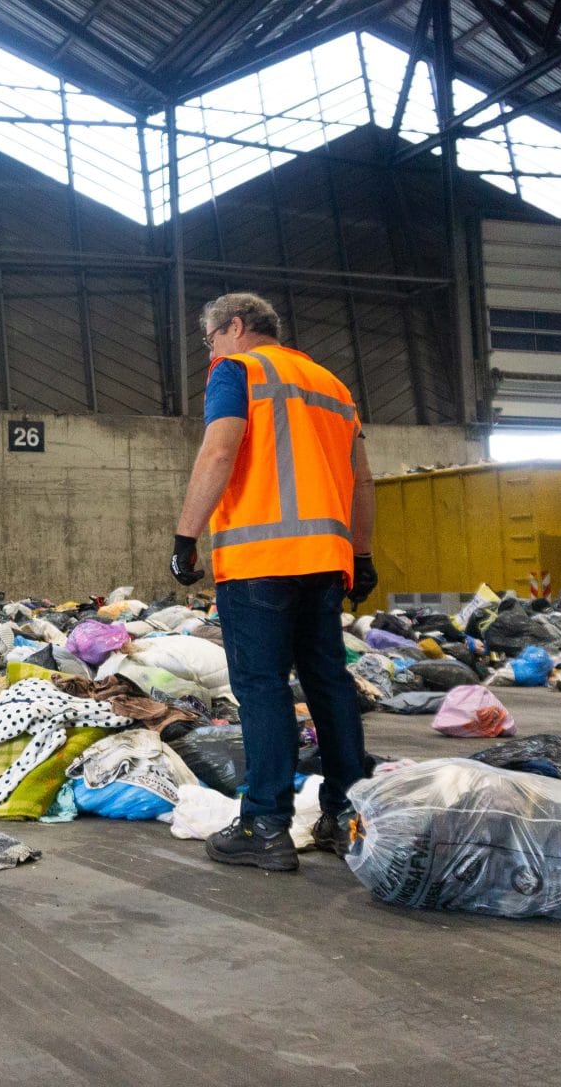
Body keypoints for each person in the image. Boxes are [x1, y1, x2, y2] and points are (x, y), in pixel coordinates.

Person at [169, 292, 378, 872]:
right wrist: (361, 554)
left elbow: (219, 450)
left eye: (209, 338)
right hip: (326, 559)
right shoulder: (332, 386)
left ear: (234, 327)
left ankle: (264, 823)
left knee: (261, 686)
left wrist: (186, 536)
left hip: (261, 559)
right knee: (328, 682)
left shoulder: (238, 369)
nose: (209, 350)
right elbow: (362, 481)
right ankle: (346, 816)